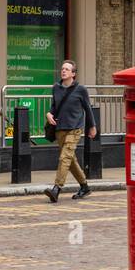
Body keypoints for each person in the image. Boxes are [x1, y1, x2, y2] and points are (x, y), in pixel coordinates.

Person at [45, 60, 97, 202]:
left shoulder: (81, 89)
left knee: (64, 158)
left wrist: (92, 126)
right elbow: (54, 107)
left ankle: (56, 188)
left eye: (67, 69)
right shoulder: (56, 88)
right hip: (60, 129)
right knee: (70, 160)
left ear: (73, 74)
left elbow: (88, 108)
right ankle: (84, 186)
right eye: (62, 69)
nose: (63, 71)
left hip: (75, 129)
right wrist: (49, 114)